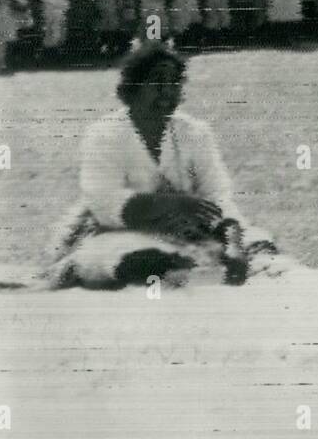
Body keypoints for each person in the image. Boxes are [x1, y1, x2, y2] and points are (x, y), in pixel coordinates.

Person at [46, 44, 285, 289]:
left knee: (257, 242)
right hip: (119, 233)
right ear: (131, 89)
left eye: (174, 85)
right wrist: (173, 204)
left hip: (192, 232)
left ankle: (195, 263)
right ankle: (170, 264)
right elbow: (105, 203)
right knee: (119, 258)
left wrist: (233, 246)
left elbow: (218, 197)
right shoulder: (104, 135)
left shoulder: (195, 132)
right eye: (156, 83)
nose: (166, 93)